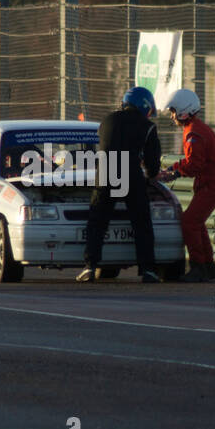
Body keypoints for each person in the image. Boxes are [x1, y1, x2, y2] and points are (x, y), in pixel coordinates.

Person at [78, 86, 162, 283]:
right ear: (144, 105)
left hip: (106, 171)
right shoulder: (148, 126)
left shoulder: (106, 121)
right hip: (130, 172)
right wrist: (151, 175)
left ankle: (90, 267)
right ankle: (148, 270)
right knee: (141, 223)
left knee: (97, 221)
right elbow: (152, 163)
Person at [158, 88, 215, 281]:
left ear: (184, 110)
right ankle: (208, 267)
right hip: (210, 182)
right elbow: (192, 161)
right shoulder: (194, 129)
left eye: (173, 111)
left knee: (189, 222)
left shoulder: (193, 134)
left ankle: (198, 267)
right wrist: (173, 169)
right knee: (197, 222)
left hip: (212, 184)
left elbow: (194, 164)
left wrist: (173, 173)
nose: (172, 116)